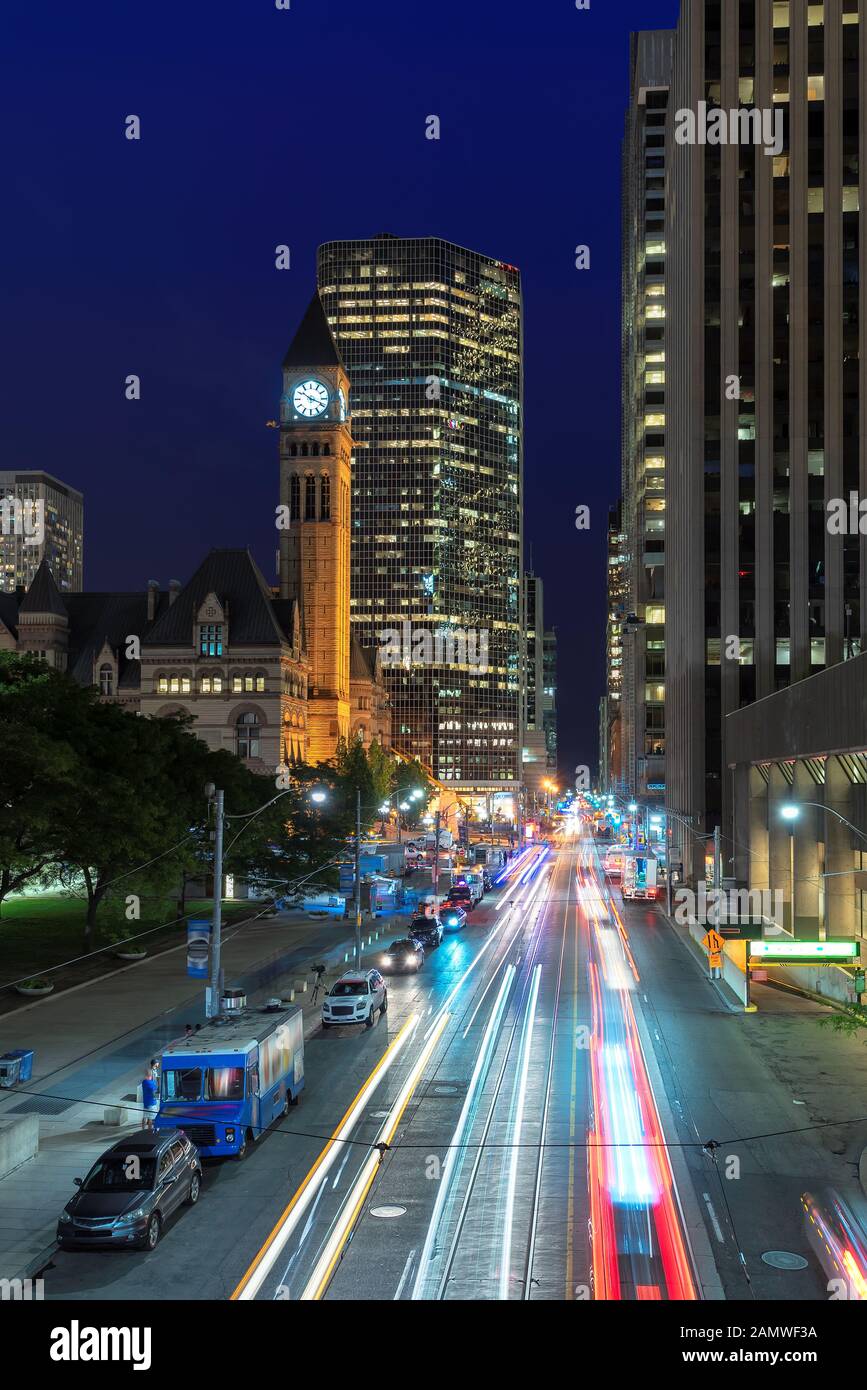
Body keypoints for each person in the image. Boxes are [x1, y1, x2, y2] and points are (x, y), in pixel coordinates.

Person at [141, 1062, 159, 1131]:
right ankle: (149, 1131)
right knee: (151, 1119)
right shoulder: (152, 1084)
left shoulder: (144, 1082)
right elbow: (154, 1093)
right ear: (151, 1076)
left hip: (145, 1103)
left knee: (144, 1116)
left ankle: (142, 1130)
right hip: (152, 1103)